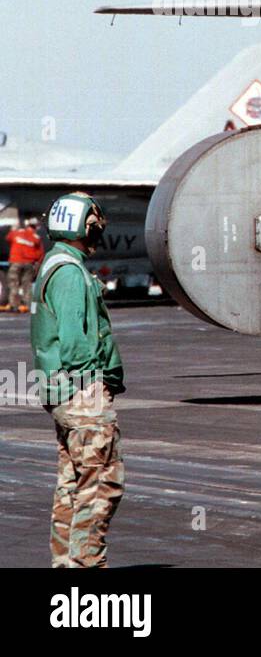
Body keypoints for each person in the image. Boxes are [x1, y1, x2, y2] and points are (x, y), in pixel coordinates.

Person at [30, 192, 125, 567]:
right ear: (84, 225)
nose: (98, 232)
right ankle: (87, 568)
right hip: (82, 393)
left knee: (73, 486)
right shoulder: (71, 273)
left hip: (63, 394)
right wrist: (96, 384)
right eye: (94, 225)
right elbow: (76, 343)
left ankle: (67, 566)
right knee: (102, 484)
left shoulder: (53, 264)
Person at [3, 217, 45, 312]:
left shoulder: (17, 234)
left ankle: (14, 305)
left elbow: (8, 238)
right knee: (27, 285)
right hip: (29, 264)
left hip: (16, 262)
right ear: (36, 227)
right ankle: (28, 305)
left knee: (14, 284)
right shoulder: (36, 238)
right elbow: (41, 254)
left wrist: (13, 229)